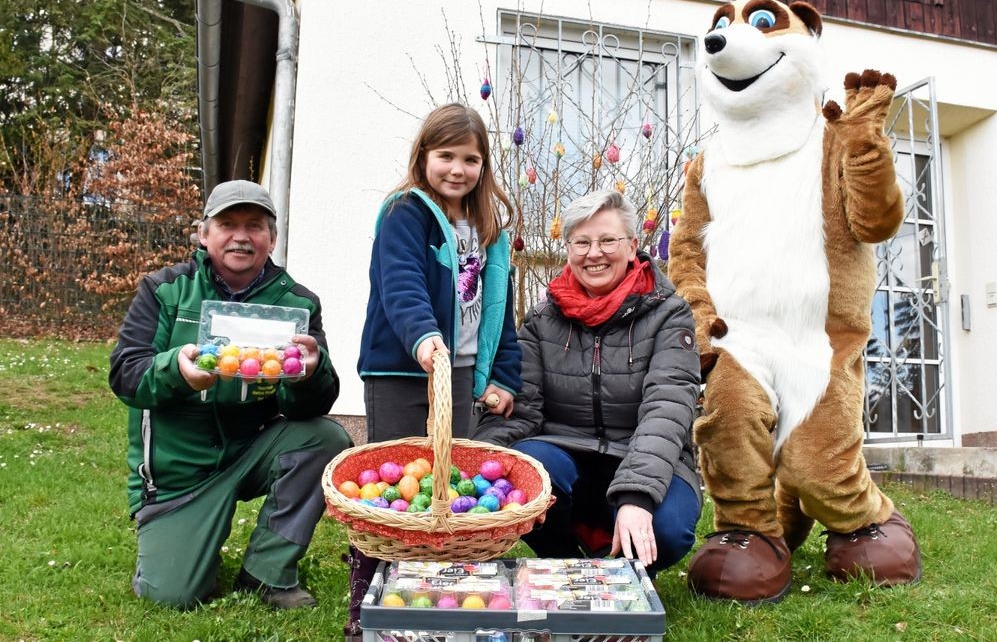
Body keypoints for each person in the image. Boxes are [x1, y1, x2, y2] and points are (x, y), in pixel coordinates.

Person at [109, 179, 352, 610]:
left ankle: (267, 573)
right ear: (204, 233)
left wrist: (309, 374)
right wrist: (176, 372)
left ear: (272, 238)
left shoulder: (297, 302)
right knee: (173, 595)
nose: (241, 236)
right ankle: (173, 546)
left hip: (249, 453)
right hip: (179, 475)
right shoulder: (164, 290)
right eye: (227, 224)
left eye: (255, 226)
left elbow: (315, 406)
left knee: (326, 438)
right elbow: (126, 375)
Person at [346, 103, 522, 640]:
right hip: (403, 372)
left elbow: (499, 312)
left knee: (447, 487)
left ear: (483, 165)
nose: (457, 169)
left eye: (470, 159)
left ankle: (435, 601)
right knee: (392, 490)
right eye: (445, 155)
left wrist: (503, 376)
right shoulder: (407, 213)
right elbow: (401, 286)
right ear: (423, 156)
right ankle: (368, 606)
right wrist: (426, 342)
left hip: (462, 376)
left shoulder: (489, 229)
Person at [473, 189, 702, 578]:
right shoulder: (543, 318)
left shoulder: (670, 315)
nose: (594, 253)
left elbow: (666, 409)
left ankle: (624, 561)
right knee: (524, 472)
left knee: (666, 531)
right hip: (566, 453)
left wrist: (637, 496)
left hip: (640, 453)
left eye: (608, 240)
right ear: (568, 250)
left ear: (632, 246)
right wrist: (480, 465)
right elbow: (522, 407)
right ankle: (567, 559)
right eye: (582, 242)